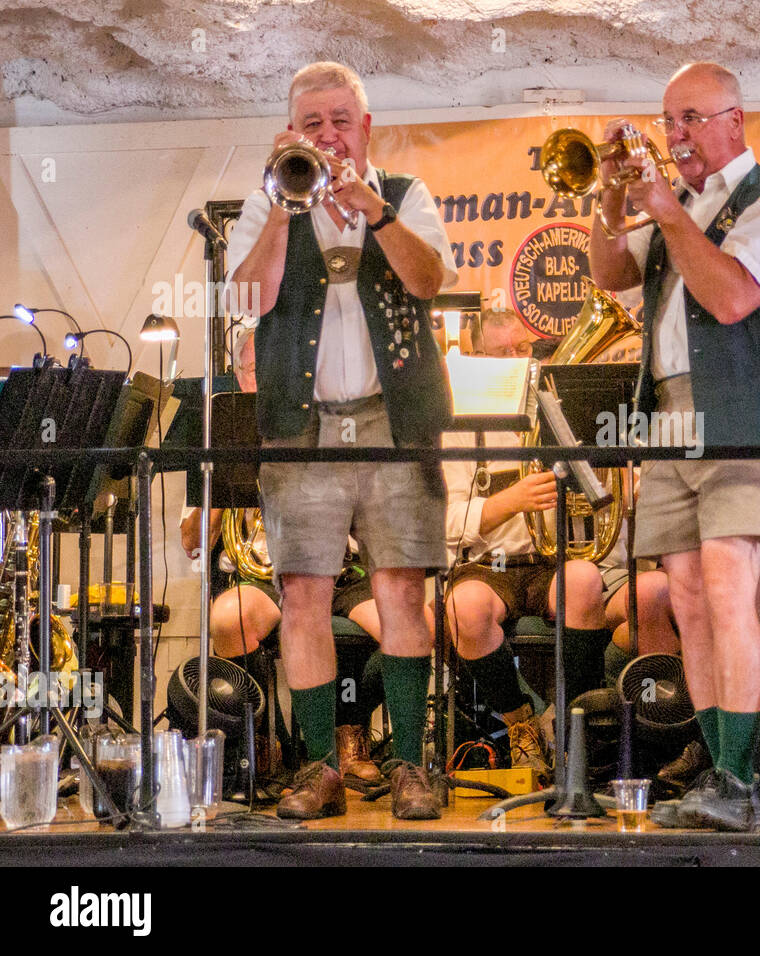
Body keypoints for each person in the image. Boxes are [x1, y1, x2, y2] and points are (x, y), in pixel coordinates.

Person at [589, 61, 760, 831]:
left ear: (736, 120)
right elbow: (608, 277)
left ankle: (739, 777)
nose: (676, 136)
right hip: (673, 418)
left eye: (692, 118)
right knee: (689, 600)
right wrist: (605, 201)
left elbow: (731, 299)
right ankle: (716, 759)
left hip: (749, 419)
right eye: (669, 121)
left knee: (728, 588)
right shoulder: (680, 212)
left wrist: (665, 211)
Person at [226, 61, 456, 821]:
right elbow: (247, 298)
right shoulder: (269, 205)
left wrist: (377, 215)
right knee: (301, 595)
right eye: (311, 124)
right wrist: (284, 209)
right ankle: (319, 767)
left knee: (400, 591)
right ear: (292, 132)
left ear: (366, 128)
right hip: (303, 423)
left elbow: (428, 282)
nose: (327, 136)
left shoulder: (406, 195)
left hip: (396, 421)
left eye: (339, 121)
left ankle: (413, 766)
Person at [179, 325, 392, 786]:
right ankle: (267, 737)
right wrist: (218, 495)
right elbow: (193, 543)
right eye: (258, 370)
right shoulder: (224, 431)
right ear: (239, 377)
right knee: (227, 621)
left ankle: (349, 725)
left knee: (409, 628)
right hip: (259, 576)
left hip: (338, 569)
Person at [439, 308, 612, 782]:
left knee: (584, 581)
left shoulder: (560, 410)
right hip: (486, 567)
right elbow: (446, 523)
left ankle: (567, 720)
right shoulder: (458, 422)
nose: (518, 360)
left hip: (548, 560)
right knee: (465, 610)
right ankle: (522, 724)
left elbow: (600, 497)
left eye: (524, 350)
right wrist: (508, 502)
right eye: (503, 353)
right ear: (478, 358)